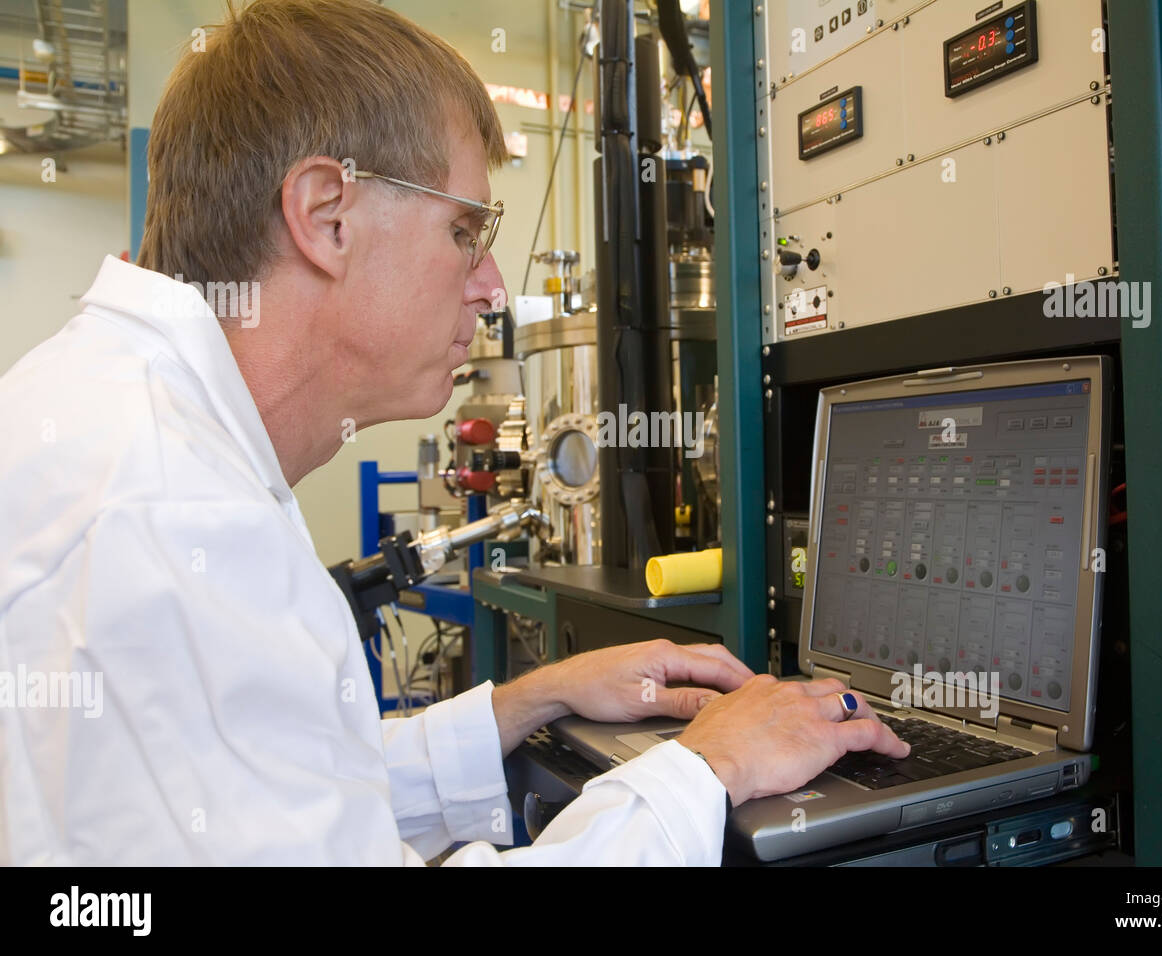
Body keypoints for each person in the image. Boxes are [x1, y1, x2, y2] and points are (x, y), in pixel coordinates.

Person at [0, 0, 906, 866]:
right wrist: (710, 768)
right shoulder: (164, 514)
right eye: (464, 231)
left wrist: (535, 698)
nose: (493, 289)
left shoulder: (144, 435)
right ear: (327, 215)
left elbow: (294, 801)